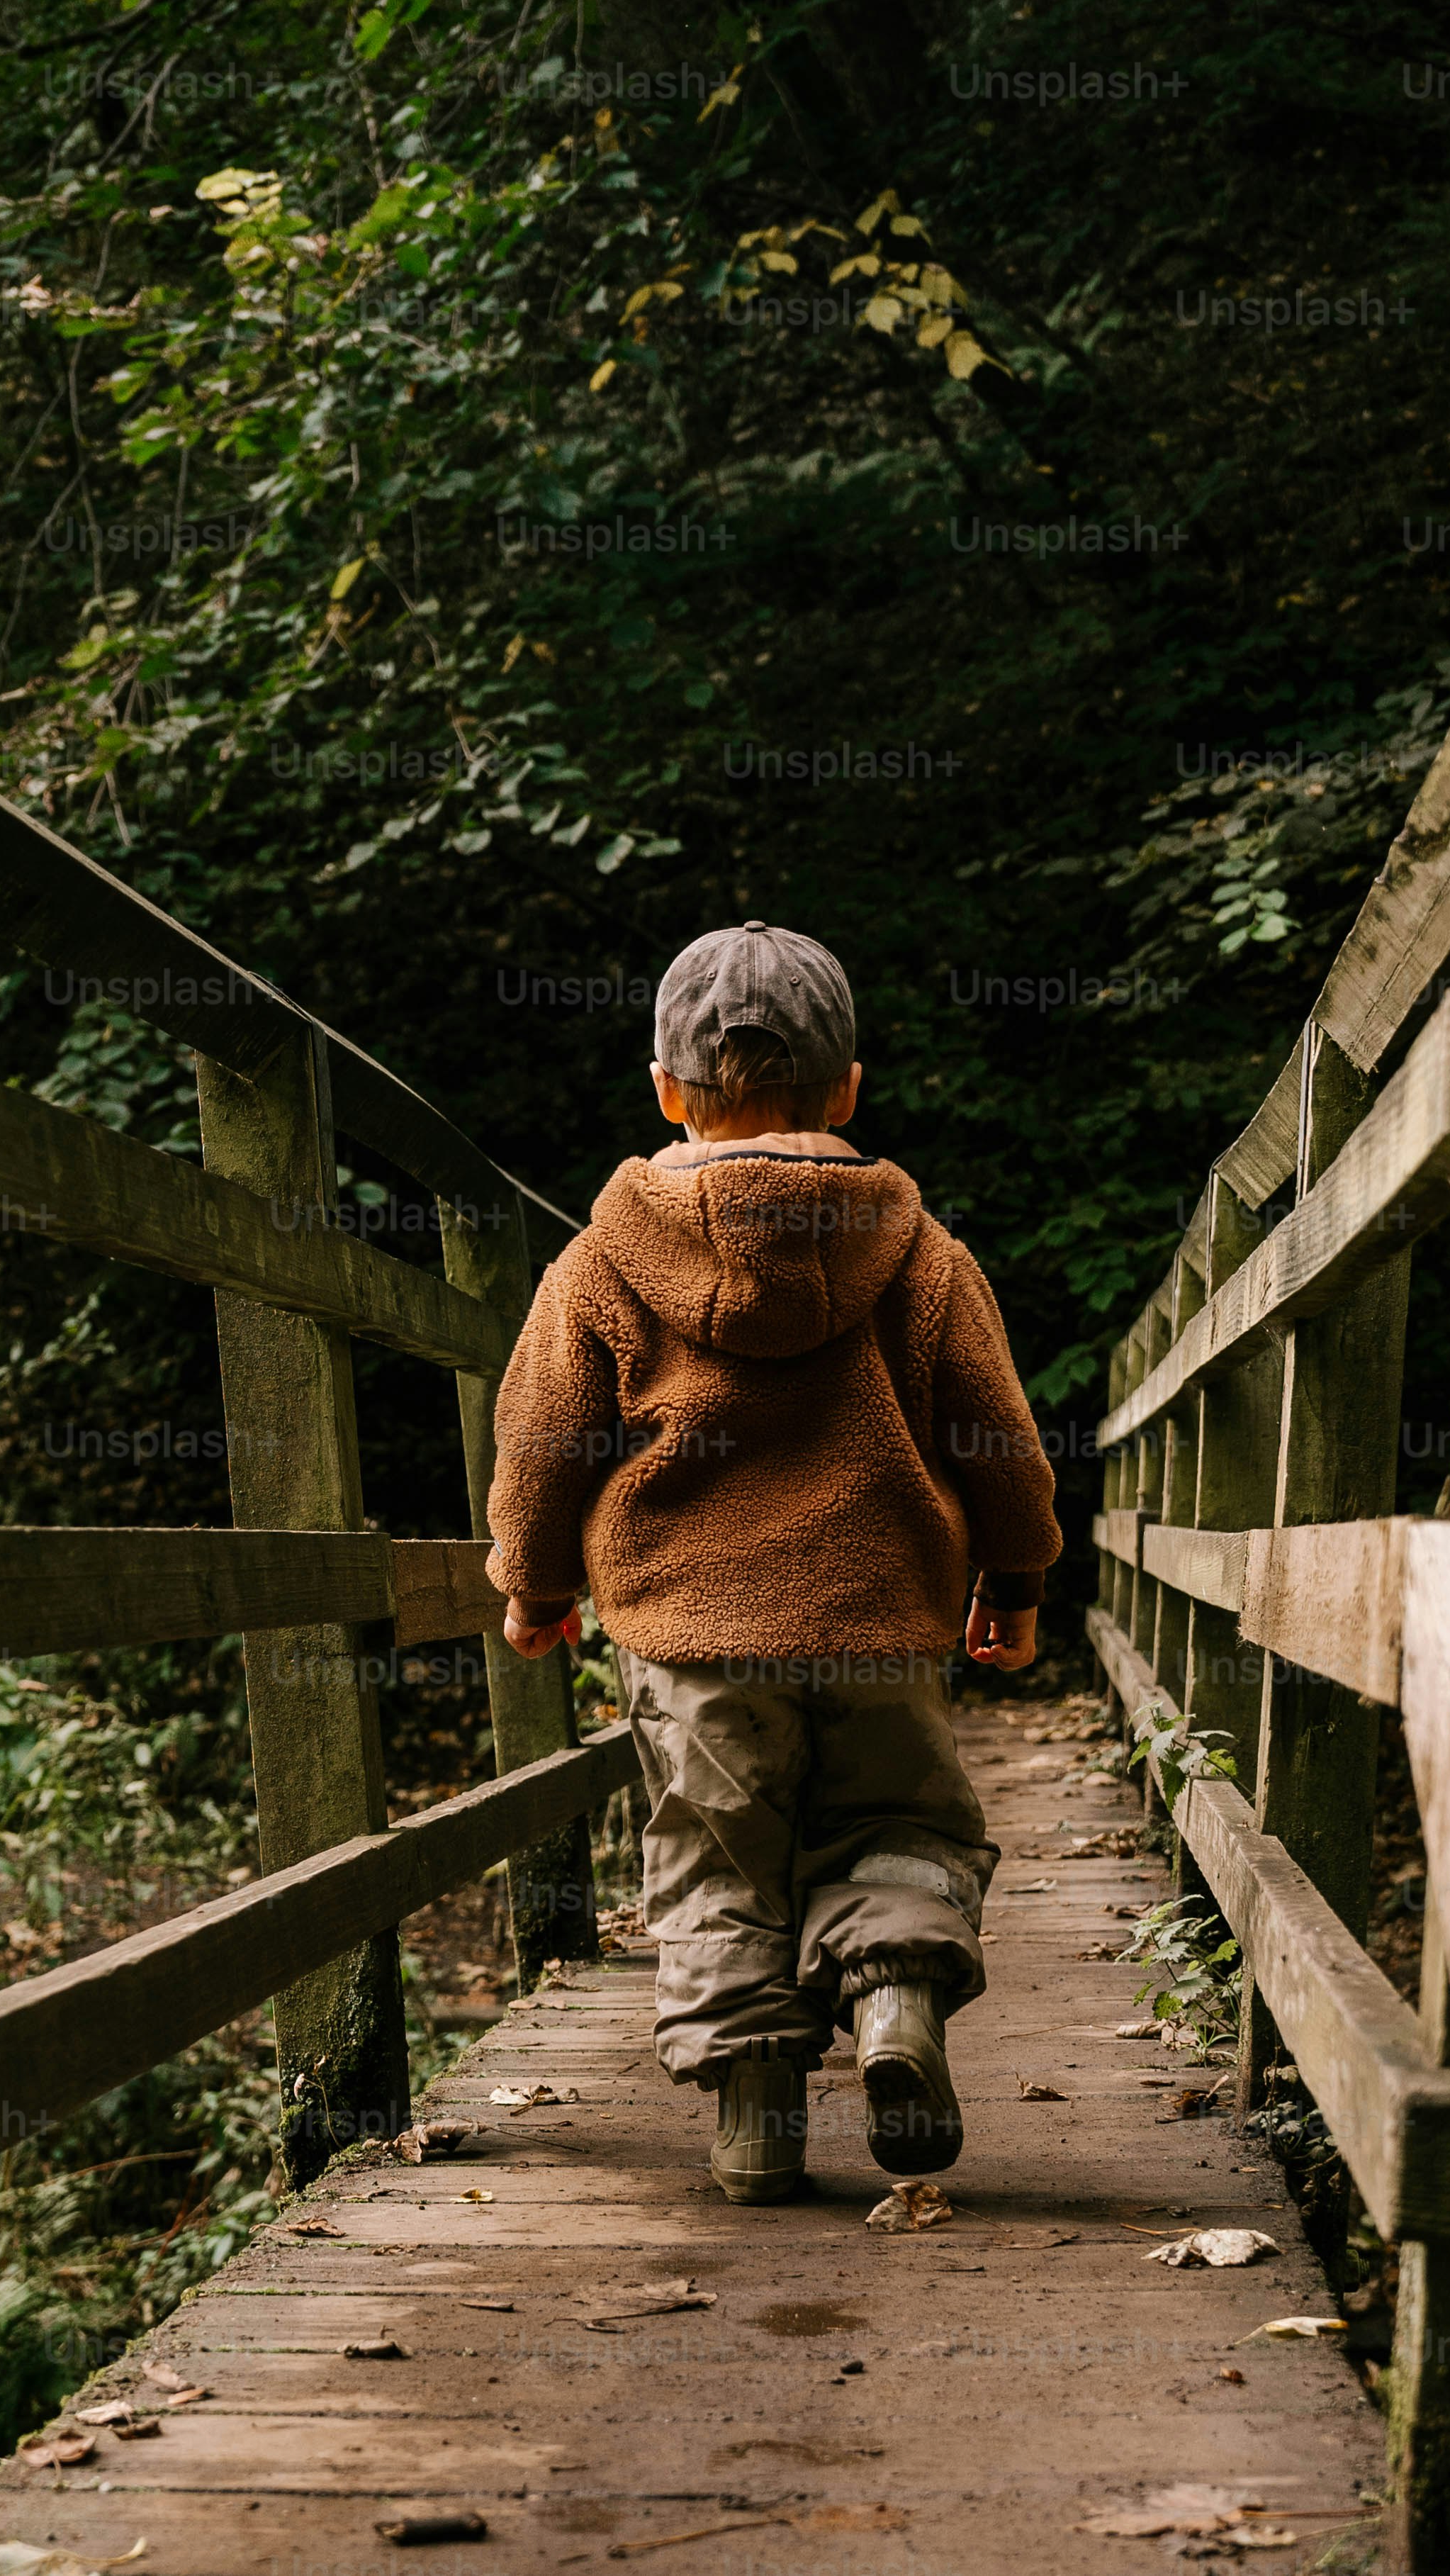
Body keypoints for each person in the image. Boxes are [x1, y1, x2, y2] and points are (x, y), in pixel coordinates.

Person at [484, 919, 1061, 2202]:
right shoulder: (922, 1256)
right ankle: (897, 1999)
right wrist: (1014, 1583)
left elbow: (540, 1438)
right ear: (850, 1089)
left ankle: (756, 2115)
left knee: (713, 1852)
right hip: (882, 1625)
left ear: (667, 1093)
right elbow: (997, 1435)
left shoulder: (599, 1264)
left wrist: (532, 1579)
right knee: (897, 1823)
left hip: (691, 1644)